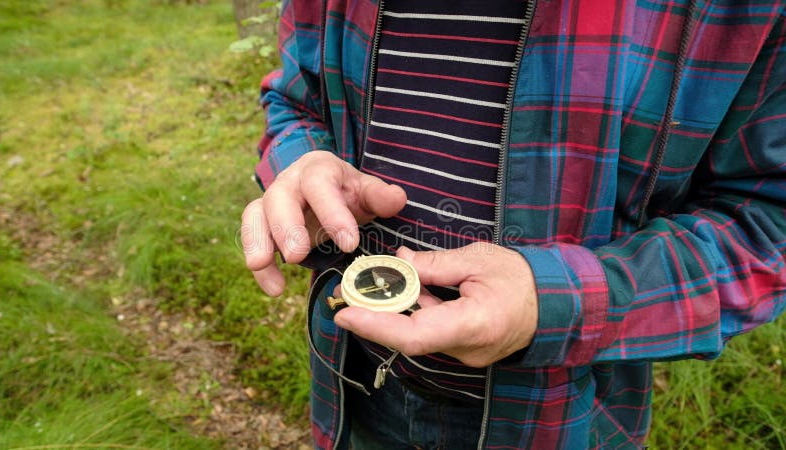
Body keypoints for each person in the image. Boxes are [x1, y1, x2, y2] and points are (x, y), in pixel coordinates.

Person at [241, 1, 786, 448]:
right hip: (353, 387)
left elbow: (767, 223)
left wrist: (553, 302)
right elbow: (297, 101)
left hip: (560, 419)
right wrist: (301, 162)